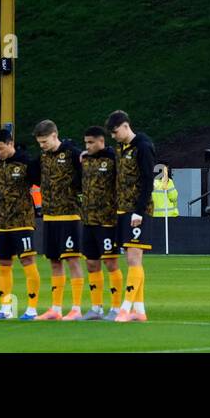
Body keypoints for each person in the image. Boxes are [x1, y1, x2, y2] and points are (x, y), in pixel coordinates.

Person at [31, 119, 85, 321]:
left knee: (72, 259)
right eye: (40, 143)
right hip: (49, 215)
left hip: (70, 214)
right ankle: (55, 308)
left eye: (45, 142)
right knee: (54, 261)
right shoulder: (43, 157)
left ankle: (77, 308)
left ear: (55, 135)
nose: (42, 146)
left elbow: (84, 176)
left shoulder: (72, 153)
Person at [108, 110, 155, 322]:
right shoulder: (120, 148)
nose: (114, 136)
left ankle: (125, 308)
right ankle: (139, 310)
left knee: (134, 257)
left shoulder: (143, 147)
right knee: (132, 258)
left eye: (115, 131)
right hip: (123, 208)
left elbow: (148, 181)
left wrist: (139, 210)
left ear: (126, 126)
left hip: (137, 210)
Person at [0, 129, 41, 321]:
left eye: (1, 148)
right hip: (2, 221)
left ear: (10, 144)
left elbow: (39, 181)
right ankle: (6, 308)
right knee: (3, 263)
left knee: (27, 261)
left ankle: (32, 309)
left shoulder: (26, 162)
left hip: (22, 221)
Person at [80, 125, 123, 320]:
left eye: (90, 142)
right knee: (91, 263)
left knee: (110, 262)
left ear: (101, 141)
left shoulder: (113, 159)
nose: (87, 146)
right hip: (89, 219)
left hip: (108, 220)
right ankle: (96, 308)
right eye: (85, 143)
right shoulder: (86, 160)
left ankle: (115, 308)